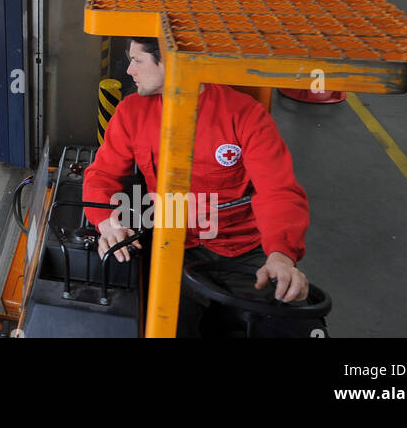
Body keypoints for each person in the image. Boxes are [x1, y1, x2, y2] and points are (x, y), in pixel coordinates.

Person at [82, 36, 311, 337]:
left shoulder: (244, 115)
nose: (129, 71)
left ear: (171, 62)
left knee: (277, 322)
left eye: (137, 61)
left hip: (243, 250)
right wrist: (108, 224)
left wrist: (281, 254)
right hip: (174, 246)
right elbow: (102, 175)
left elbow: (278, 191)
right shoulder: (132, 113)